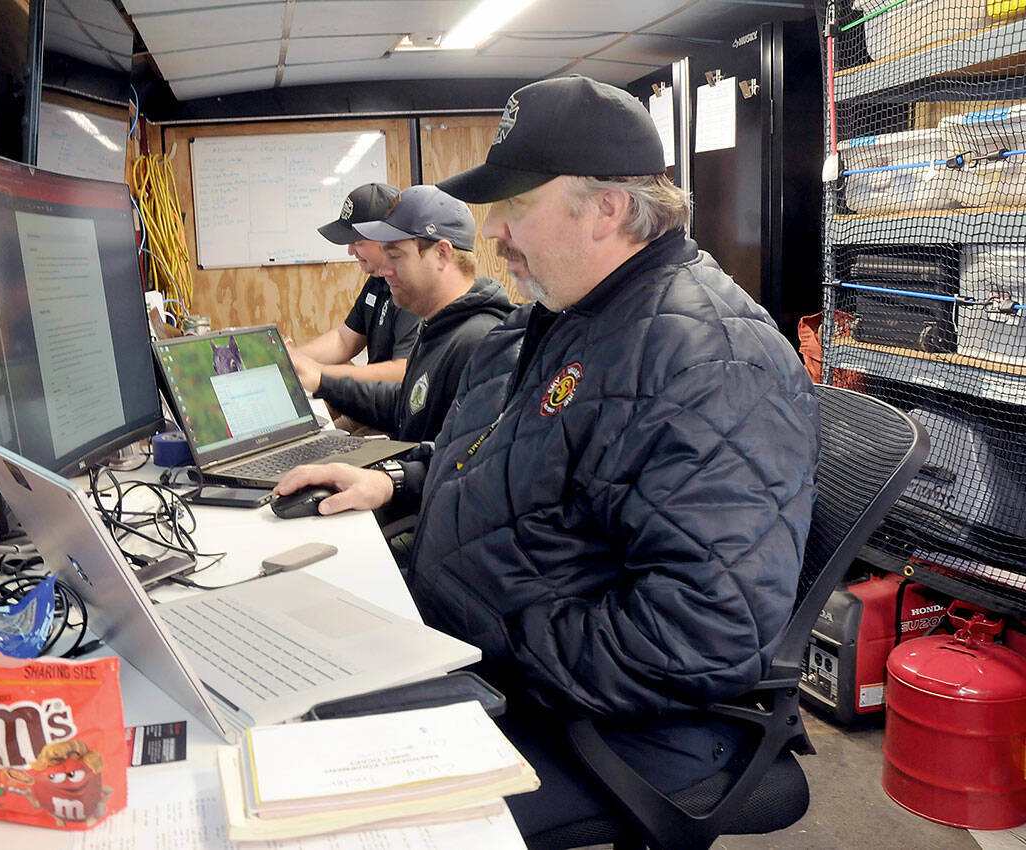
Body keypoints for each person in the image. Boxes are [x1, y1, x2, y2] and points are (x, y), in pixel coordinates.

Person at [274, 75, 819, 839]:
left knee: (326, 820)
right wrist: (393, 478)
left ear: (610, 209)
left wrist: (481, 640)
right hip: (491, 656)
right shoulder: (566, 314)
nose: (494, 231)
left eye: (517, 206)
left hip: (606, 724)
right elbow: (506, 457)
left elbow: (702, 634)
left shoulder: (711, 363)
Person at [290, 184, 513, 443]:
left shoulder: (476, 342)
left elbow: (459, 463)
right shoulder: (438, 327)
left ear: (441, 254)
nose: (384, 270)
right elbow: (405, 404)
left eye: (395, 256)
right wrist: (320, 379)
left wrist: (391, 479)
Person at [293, 183, 422, 384]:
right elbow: (344, 340)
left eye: (358, 243)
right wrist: (292, 359)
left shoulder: (413, 289)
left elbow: (403, 371)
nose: (350, 252)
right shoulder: (377, 281)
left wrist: (320, 374)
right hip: (377, 403)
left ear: (385, 239)